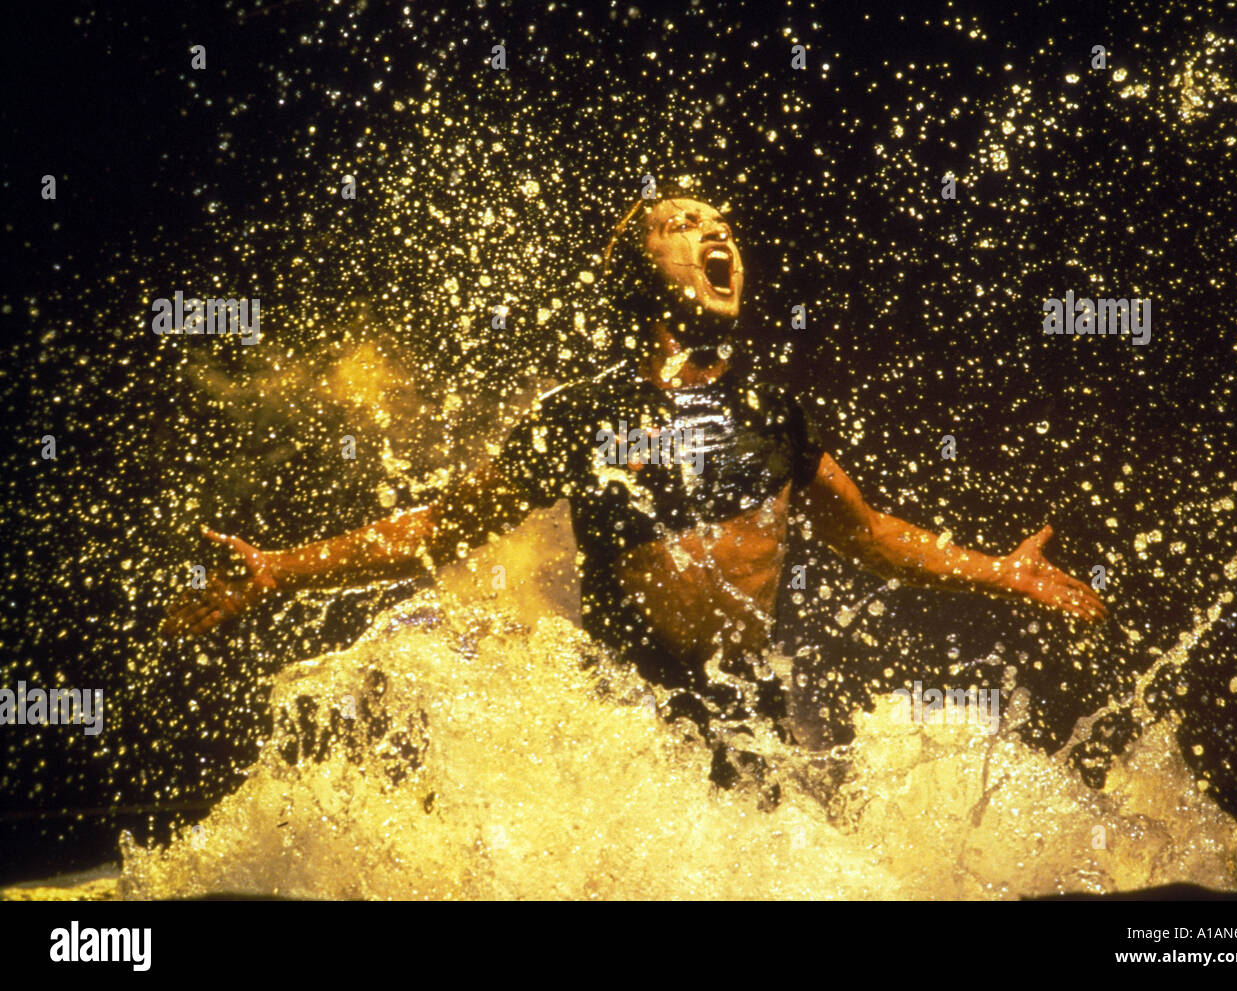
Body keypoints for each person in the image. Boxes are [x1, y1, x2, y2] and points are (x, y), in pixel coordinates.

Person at [164, 188, 1107, 791]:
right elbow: (435, 529)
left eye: (725, 223)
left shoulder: (775, 413)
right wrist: (281, 567)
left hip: (755, 732)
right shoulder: (580, 419)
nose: (717, 232)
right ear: (637, 267)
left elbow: (872, 537)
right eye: (686, 224)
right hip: (634, 744)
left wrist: (999, 571)